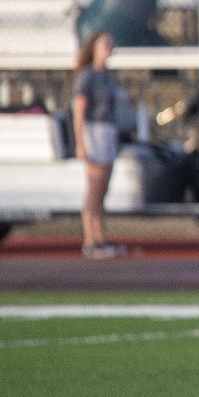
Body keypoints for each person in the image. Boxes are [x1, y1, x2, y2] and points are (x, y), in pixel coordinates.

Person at [71, 31, 124, 260]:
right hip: (93, 131)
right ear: (94, 47)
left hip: (108, 131)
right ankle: (90, 240)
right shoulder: (87, 75)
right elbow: (79, 111)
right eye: (105, 44)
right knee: (94, 187)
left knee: (103, 188)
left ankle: (101, 237)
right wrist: (81, 143)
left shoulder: (108, 75)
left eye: (112, 43)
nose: (109, 48)